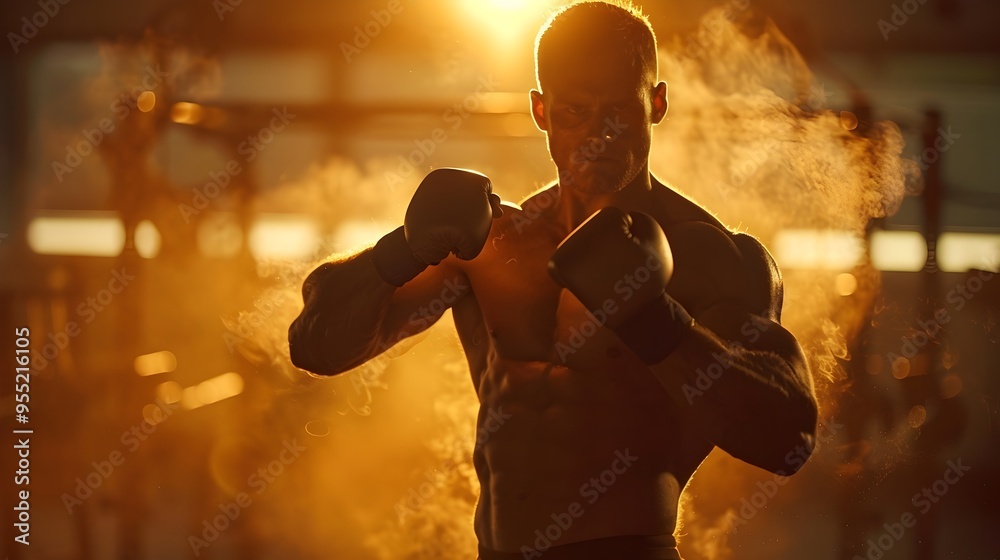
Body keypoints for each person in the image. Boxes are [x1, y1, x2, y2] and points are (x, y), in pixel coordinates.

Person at [288, 2, 819, 558]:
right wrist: (401, 249)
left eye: (619, 110)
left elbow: (790, 439)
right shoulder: (489, 241)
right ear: (540, 110)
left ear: (656, 103)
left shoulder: (707, 256)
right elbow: (315, 345)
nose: (598, 135)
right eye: (575, 112)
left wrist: (654, 320)